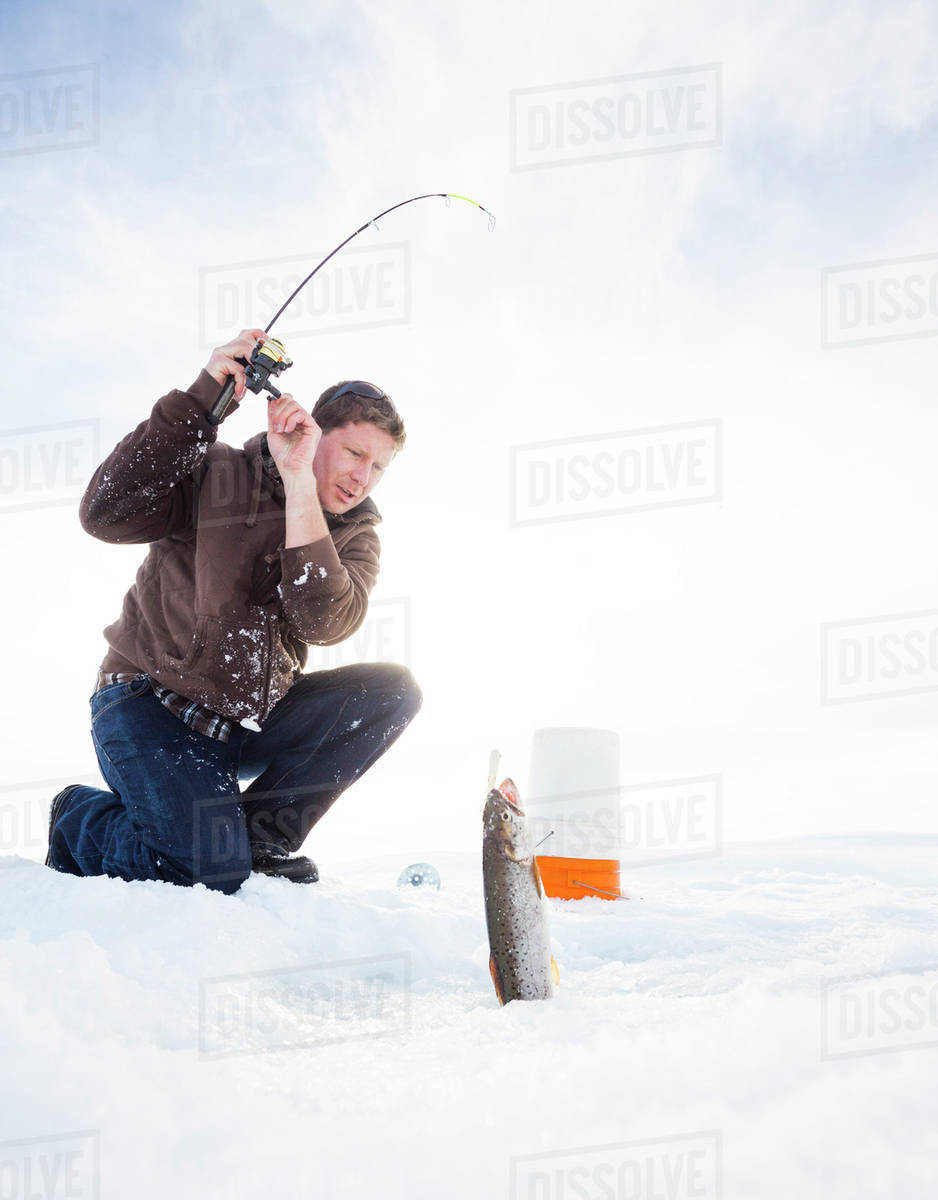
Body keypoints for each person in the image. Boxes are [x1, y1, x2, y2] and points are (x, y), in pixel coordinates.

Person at [45, 329, 422, 892]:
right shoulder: (217, 473)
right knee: (203, 874)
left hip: (245, 719)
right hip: (151, 703)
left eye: (379, 467)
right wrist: (202, 399)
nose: (362, 478)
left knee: (393, 692)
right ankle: (79, 817)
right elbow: (105, 513)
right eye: (355, 453)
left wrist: (300, 489)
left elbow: (324, 623)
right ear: (316, 433)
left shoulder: (356, 536)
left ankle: (259, 836)